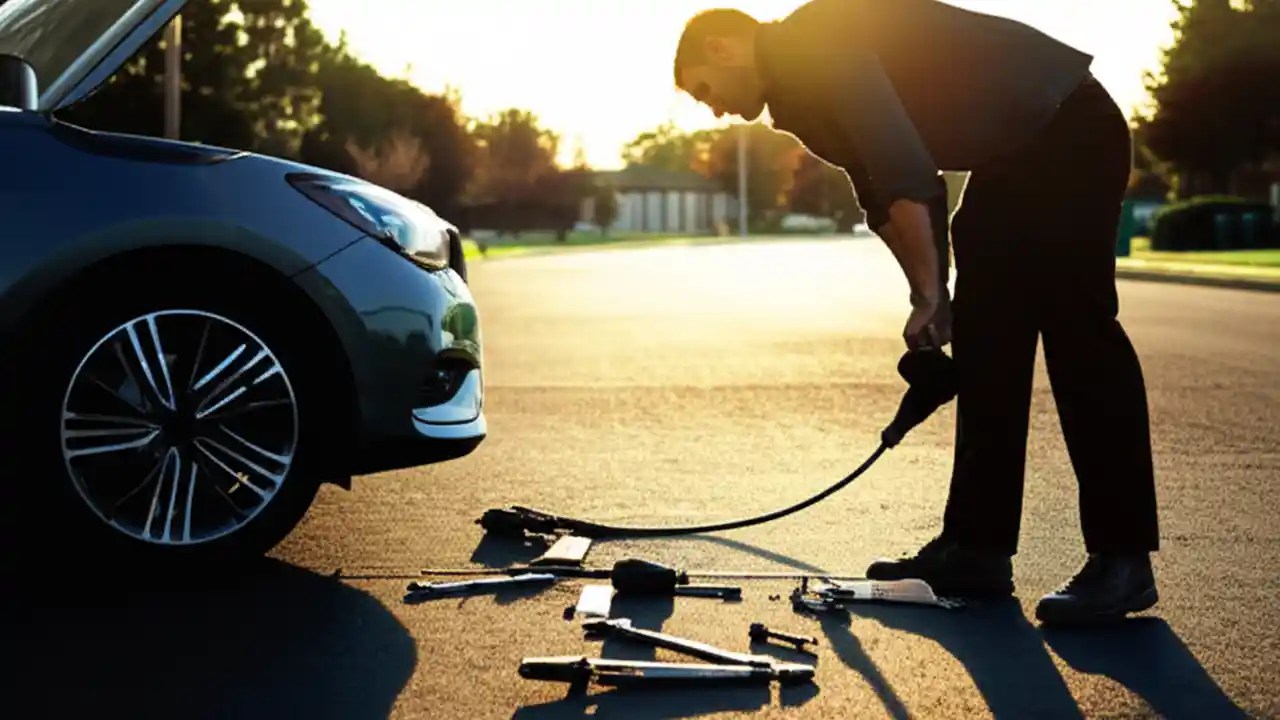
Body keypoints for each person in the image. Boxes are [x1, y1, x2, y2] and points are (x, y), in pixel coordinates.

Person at [673, 0, 1160, 624]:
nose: (712, 109)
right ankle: (977, 549)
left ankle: (1123, 560)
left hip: (1068, 127)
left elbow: (906, 166)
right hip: (1012, 156)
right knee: (986, 338)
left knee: (1077, 331)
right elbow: (882, 195)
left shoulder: (815, 42)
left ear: (723, 47)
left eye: (705, 92)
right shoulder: (794, 100)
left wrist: (933, 293)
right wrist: (927, 296)